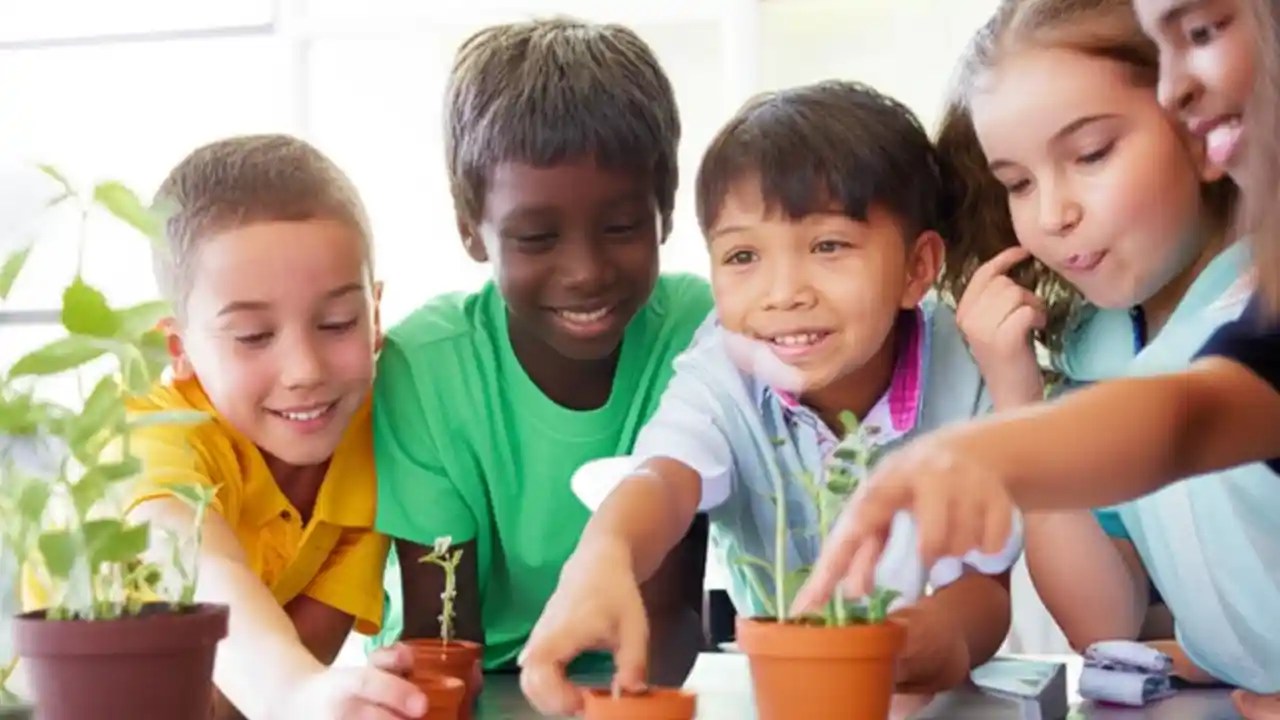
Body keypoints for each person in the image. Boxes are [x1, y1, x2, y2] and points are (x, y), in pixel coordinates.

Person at [796, 0, 1280, 711]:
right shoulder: (1099, 349)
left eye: (1091, 155)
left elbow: (1191, 417)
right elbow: (1103, 625)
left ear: (1197, 118)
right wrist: (1017, 399)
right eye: (1017, 183)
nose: (1053, 214)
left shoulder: (1256, 298)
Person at [518, 80, 1022, 717]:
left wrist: (937, 638)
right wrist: (603, 553)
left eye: (828, 246)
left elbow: (983, 586)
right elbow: (665, 479)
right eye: (744, 255)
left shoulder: (967, 371)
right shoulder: (724, 364)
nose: (783, 292)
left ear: (918, 269)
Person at [370, 17, 714, 674]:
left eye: (619, 227)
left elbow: (667, 620)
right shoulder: (425, 368)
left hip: (631, 674)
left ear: (666, 207)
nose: (585, 270)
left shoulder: (697, 332)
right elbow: (440, 637)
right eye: (536, 239)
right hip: (478, 678)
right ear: (472, 229)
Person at [125, 135, 421, 719]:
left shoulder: (380, 436)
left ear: (376, 313)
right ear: (180, 349)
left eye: (337, 323)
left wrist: (319, 694)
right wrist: (291, 693)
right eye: (254, 337)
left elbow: (274, 693)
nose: (304, 371)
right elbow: (195, 561)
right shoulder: (158, 432)